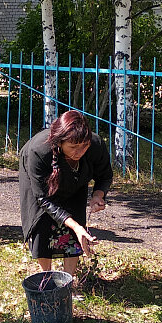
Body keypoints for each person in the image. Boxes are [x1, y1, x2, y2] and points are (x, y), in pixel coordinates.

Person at [19, 110, 113, 276]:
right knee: (42, 220)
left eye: (84, 146)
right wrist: (76, 227)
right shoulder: (39, 152)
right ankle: (45, 278)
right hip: (42, 187)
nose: (79, 152)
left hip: (76, 179)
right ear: (59, 143)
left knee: (76, 214)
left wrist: (98, 195)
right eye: (73, 147)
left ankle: (69, 280)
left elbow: (105, 175)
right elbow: (44, 199)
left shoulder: (95, 145)